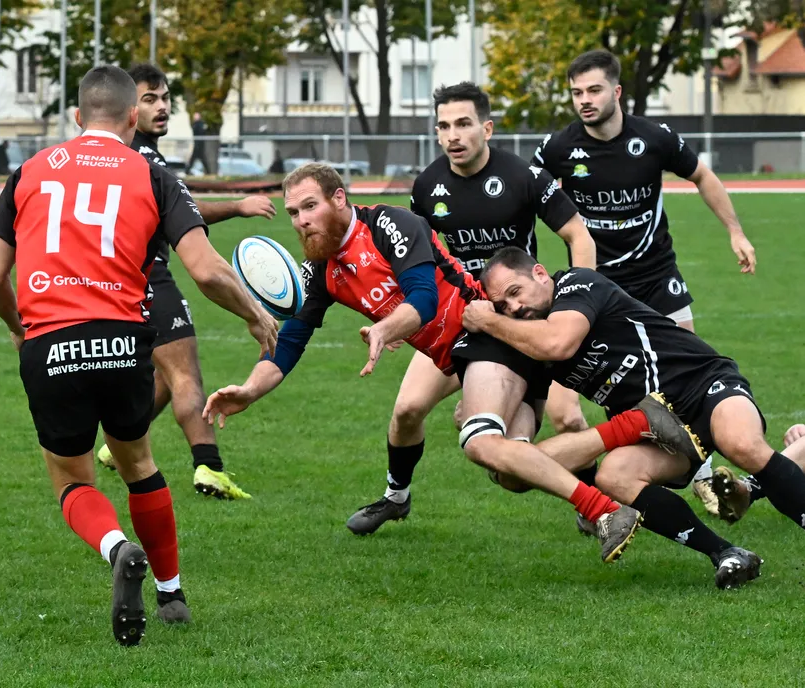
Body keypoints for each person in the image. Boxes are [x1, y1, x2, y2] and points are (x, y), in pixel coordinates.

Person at [200, 162, 722, 566]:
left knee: (476, 438)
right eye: (292, 213)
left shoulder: (388, 225)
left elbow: (424, 299)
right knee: (503, 464)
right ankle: (399, 497)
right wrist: (249, 390)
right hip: (455, 354)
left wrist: (385, 328)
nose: (301, 220)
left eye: (309, 207)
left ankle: (605, 507)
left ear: (339, 198)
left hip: (486, 336)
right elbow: (290, 343)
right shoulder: (322, 271)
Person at [0, 65, 277, 646]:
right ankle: (171, 593)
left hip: (49, 342)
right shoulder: (151, 171)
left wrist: (20, 328)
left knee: (71, 478)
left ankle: (116, 548)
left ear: (76, 117)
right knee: (138, 463)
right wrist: (253, 313)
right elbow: (205, 268)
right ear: (133, 117)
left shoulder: (29, 172)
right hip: (123, 339)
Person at [465, 247, 805, 589]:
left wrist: (489, 320)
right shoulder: (525, 340)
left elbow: (559, 344)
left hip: (702, 385)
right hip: (656, 428)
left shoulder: (575, 283)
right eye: (502, 306)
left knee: (741, 443)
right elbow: (528, 423)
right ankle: (728, 553)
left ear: (540, 274)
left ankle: (756, 483)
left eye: (514, 292)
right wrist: (501, 444)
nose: (513, 308)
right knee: (612, 476)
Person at [345, 82, 595, 535]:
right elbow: (412, 256)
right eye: (443, 126)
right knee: (405, 411)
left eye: (463, 124)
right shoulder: (427, 186)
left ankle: (592, 496)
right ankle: (395, 498)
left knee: (568, 416)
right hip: (456, 321)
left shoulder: (522, 176)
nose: (453, 135)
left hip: (519, 322)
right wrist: (401, 319)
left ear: (487, 127)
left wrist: (578, 303)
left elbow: (579, 236)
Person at [533, 49, 759, 515]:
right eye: (576, 93)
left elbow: (703, 176)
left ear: (616, 92)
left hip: (657, 281)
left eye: (594, 90)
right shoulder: (559, 148)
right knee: (560, 410)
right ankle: (596, 497)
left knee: (688, 390)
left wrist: (735, 231)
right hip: (592, 291)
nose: (584, 100)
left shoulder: (653, 138)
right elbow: (522, 189)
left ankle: (702, 478)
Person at [95, 63, 276, 501]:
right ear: (128, 108)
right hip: (146, 276)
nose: (161, 107)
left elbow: (180, 203)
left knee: (163, 373)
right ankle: (208, 467)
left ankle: (113, 446)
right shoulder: (144, 157)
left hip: (106, 279)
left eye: (164, 97)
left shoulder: (121, 154)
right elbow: (190, 225)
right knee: (186, 376)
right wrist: (237, 207)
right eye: (148, 98)